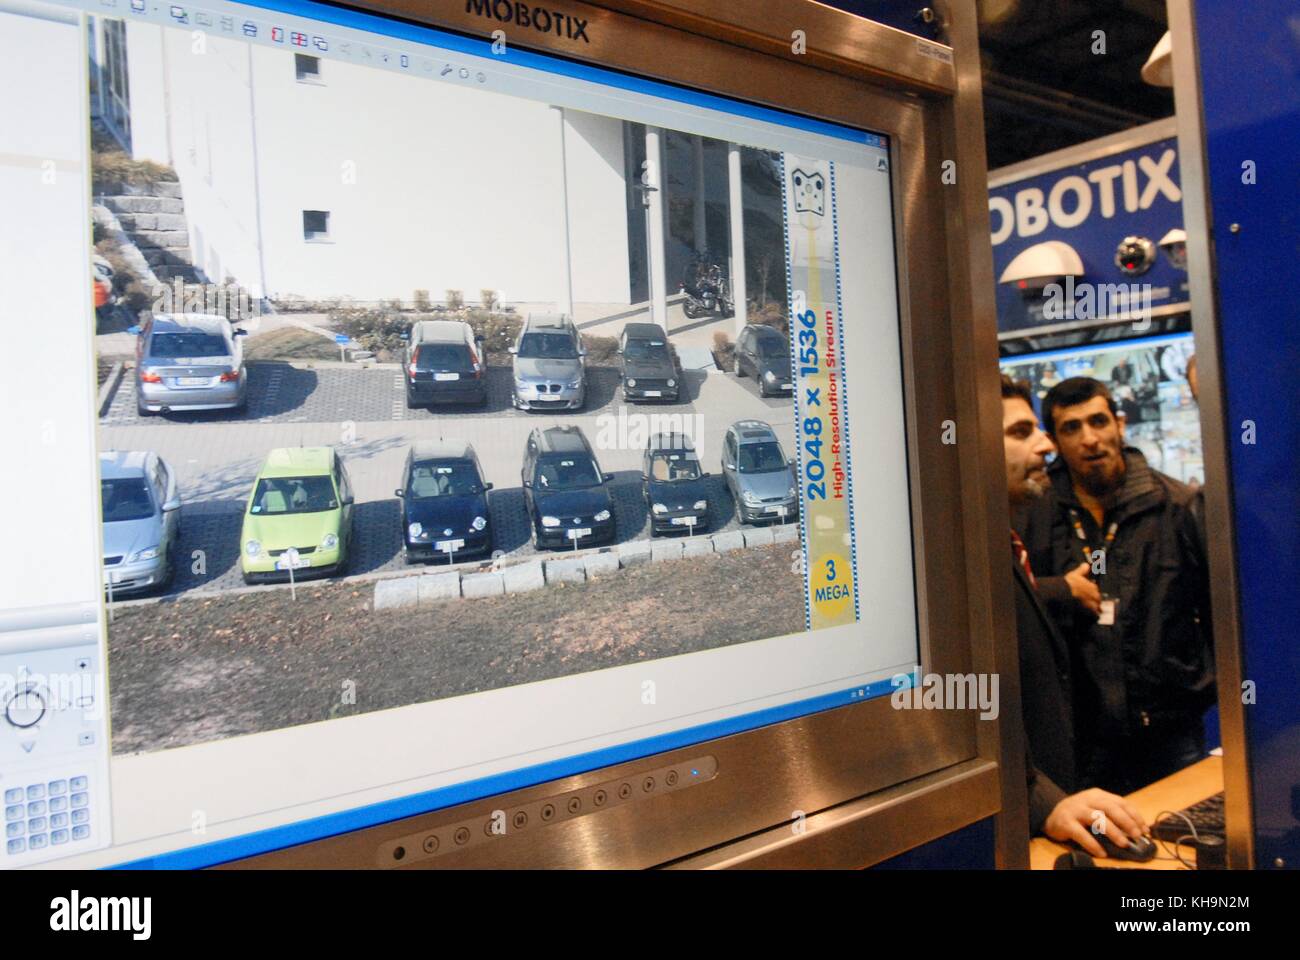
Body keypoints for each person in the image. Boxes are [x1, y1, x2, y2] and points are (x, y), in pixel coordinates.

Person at [1023, 376, 1214, 795]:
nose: (1089, 439)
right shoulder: (1035, 513)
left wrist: (1201, 689)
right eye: (1071, 428)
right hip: (1081, 741)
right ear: (1054, 439)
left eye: (1098, 421)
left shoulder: (1176, 506)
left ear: (1120, 425)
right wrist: (1059, 590)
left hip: (1170, 730)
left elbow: (1220, 613)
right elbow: (1012, 604)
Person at [1000, 375, 1147, 853]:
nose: (1046, 445)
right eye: (1022, 433)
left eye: (1099, 421)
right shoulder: (954, 560)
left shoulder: (1173, 503)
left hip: (1142, 741)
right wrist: (1042, 801)